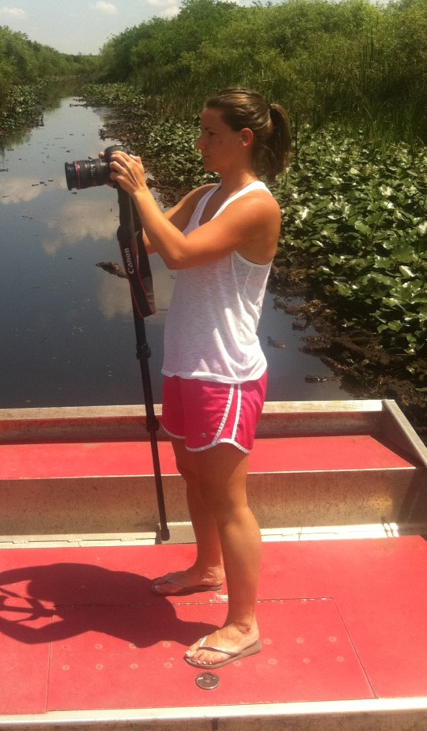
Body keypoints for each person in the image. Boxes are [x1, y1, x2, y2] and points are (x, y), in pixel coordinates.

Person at [109, 87, 291, 671]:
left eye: (212, 134)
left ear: (245, 140)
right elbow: (149, 243)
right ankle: (207, 567)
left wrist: (142, 192)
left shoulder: (256, 205)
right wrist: (128, 206)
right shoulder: (206, 194)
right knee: (192, 472)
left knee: (229, 499)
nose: (200, 142)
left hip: (226, 374)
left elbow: (183, 254)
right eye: (200, 130)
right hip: (186, 363)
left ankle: (244, 624)